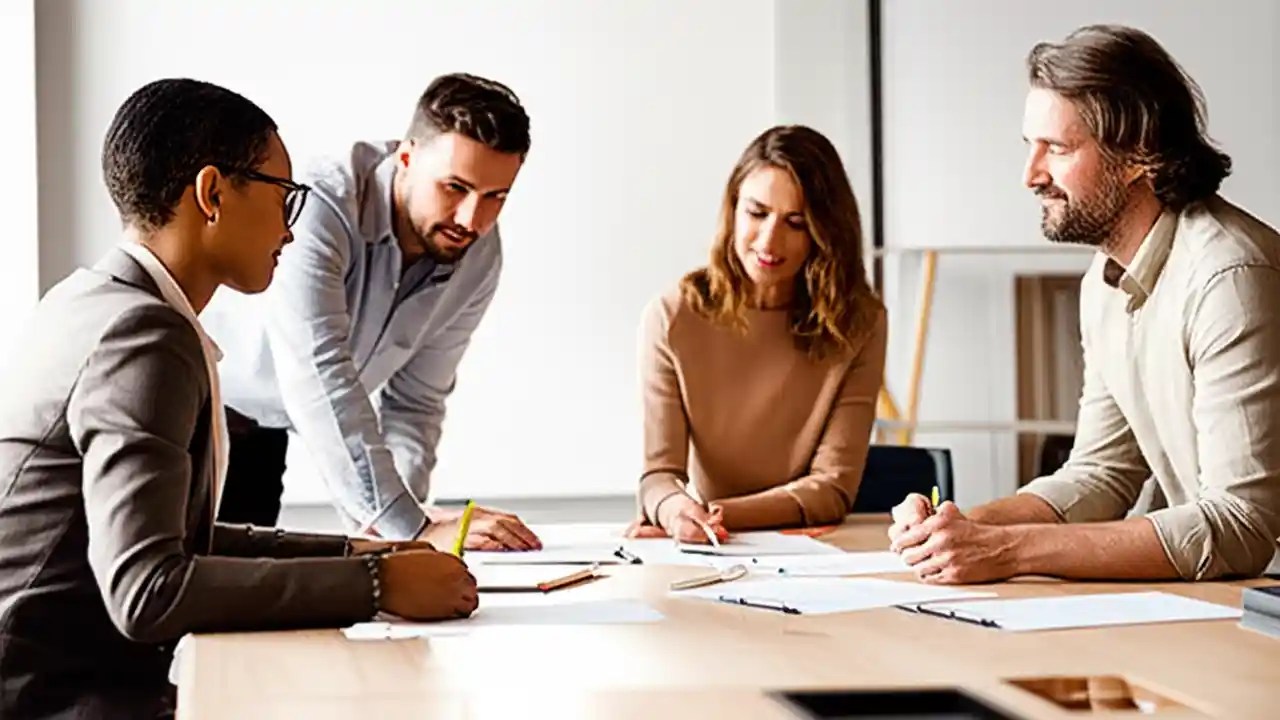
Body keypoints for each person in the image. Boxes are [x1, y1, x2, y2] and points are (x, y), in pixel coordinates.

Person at [0, 78, 478, 719]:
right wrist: (375, 586)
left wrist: (358, 554)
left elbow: (179, 540)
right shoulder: (145, 336)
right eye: (283, 196)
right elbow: (147, 589)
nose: (290, 229)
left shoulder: (93, 300)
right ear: (213, 193)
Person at [890, 24, 1280, 583]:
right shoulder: (1103, 279)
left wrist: (1008, 550)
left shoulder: (1229, 279)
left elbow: (1241, 526)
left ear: (1137, 154)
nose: (1030, 175)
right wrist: (960, 527)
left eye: (1058, 148)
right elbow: (1101, 473)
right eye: (1030, 146)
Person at [201, 73, 540, 551]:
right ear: (406, 158)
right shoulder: (321, 204)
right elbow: (320, 375)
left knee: (246, 580)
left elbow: (416, 402)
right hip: (206, 416)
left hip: (272, 433)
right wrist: (410, 527)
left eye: (495, 196)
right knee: (191, 582)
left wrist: (399, 537)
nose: (471, 218)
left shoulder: (478, 252)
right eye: (455, 187)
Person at [627, 125, 887, 544]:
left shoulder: (860, 323)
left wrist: (718, 515)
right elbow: (659, 475)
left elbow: (832, 487)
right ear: (732, 210)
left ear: (824, 232)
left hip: (812, 547)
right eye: (756, 213)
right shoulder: (672, 316)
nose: (769, 241)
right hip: (711, 545)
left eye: (796, 222)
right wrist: (674, 511)